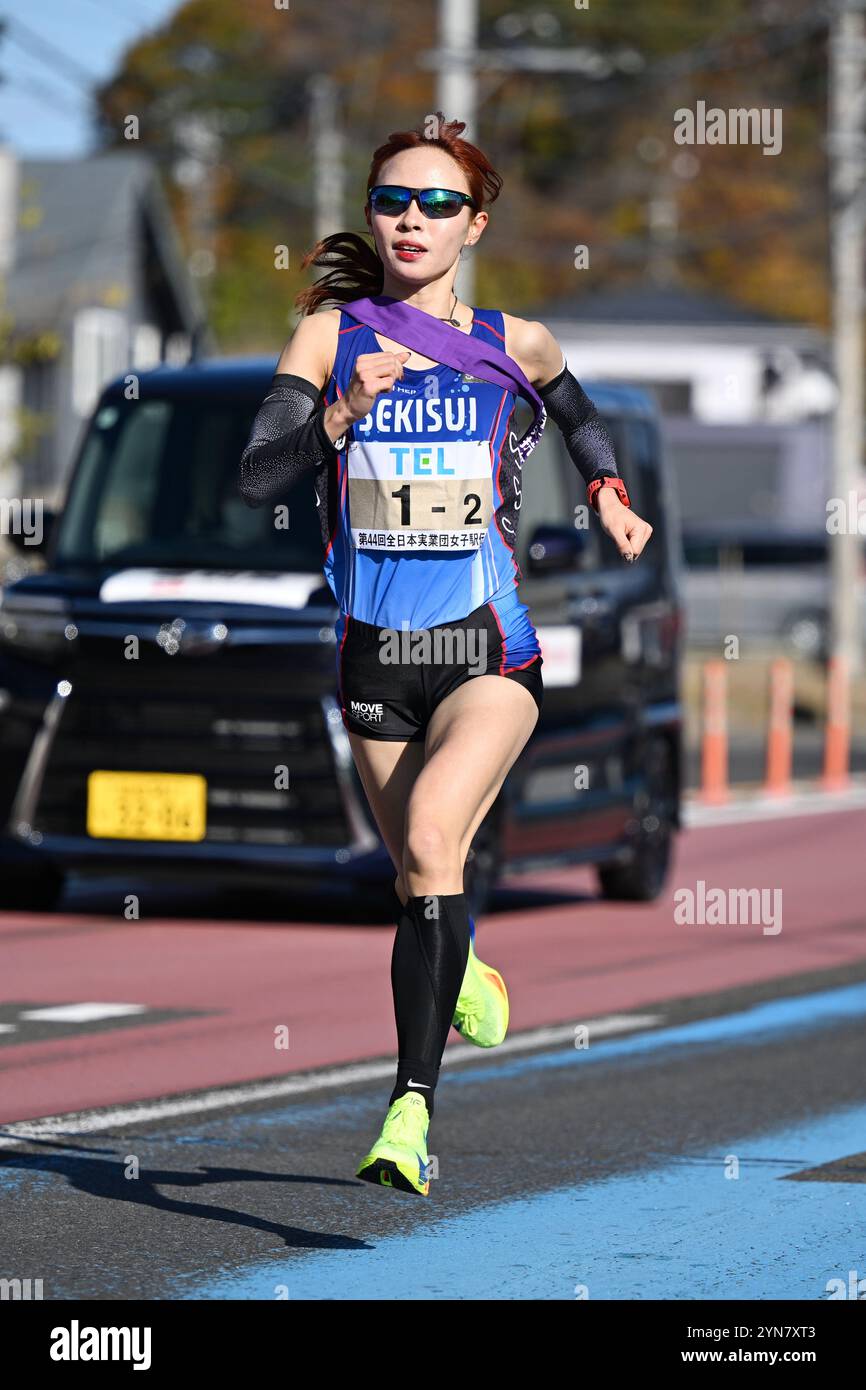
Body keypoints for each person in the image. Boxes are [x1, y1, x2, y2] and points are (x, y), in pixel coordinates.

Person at [238, 112, 653, 1196]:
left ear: (473, 222)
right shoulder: (331, 338)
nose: (409, 221)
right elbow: (255, 480)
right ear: (369, 215)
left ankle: (408, 1113)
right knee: (420, 874)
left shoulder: (517, 341)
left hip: (487, 651)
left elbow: (577, 416)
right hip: (371, 660)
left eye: (434, 205)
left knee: (431, 834)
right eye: (390, 201)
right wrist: (337, 415)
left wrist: (608, 494)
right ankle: (459, 958)